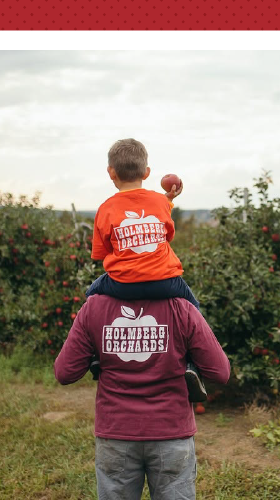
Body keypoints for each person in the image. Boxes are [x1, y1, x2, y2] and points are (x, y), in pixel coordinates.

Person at [53, 294, 229, 500]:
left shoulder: (94, 308)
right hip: (171, 433)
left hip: (116, 435)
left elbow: (65, 373)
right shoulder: (181, 308)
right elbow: (220, 372)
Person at [84, 138, 208, 401]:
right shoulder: (159, 202)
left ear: (111, 173)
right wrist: (167, 200)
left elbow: (101, 254)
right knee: (194, 308)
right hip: (165, 281)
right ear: (147, 173)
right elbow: (167, 233)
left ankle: (95, 355)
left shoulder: (105, 209)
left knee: (91, 296)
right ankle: (193, 365)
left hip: (122, 283)